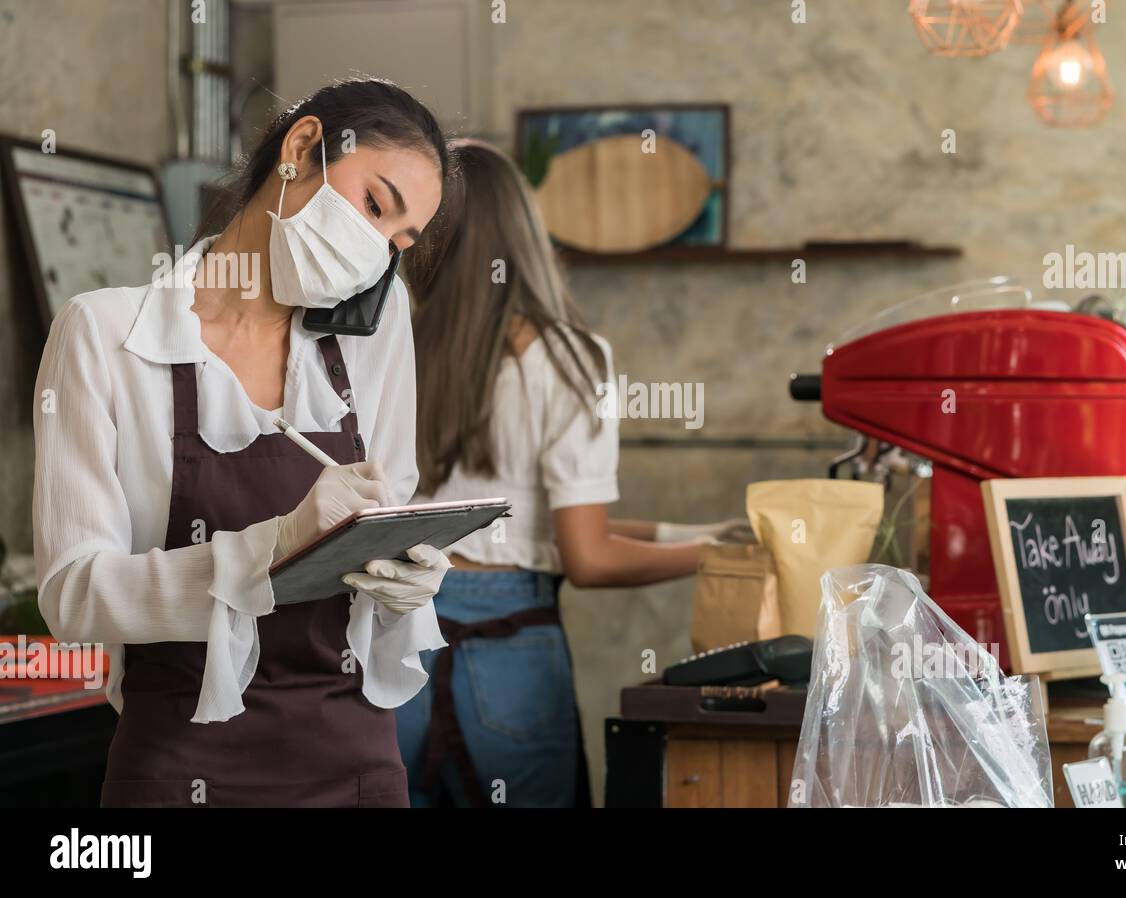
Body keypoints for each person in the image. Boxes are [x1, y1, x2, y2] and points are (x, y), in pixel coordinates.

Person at [32, 79, 453, 807]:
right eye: (374, 206)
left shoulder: (377, 336)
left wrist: (406, 585)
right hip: (181, 768)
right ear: (299, 150)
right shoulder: (106, 336)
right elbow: (73, 595)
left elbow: (388, 515)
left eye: (400, 242)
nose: (379, 254)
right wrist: (273, 546)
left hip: (354, 765)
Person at [397, 139, 747, 807]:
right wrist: (713, 556)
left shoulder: (391, 347)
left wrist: (686, 529)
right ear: (526, 230)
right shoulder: (569, 357)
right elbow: (585, 557)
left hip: (395, 636)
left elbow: (517, 520)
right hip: (508, 650)